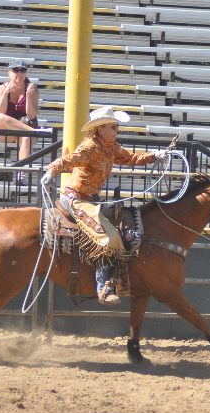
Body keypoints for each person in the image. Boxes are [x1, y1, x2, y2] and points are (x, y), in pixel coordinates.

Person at [40, 106, 168, 305]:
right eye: (114, 126)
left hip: (89, 199)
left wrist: (154, 156)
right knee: (109, 236)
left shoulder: (112, 147)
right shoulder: (89, 147)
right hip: (76, 199)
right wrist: (51, 171)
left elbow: (131, 159)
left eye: (117, 126)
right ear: (100, 129)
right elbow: (68, 160)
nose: (117, 130)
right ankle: (103, 287)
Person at [0, 58, 40, 185]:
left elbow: (31, 116)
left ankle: (21, 174)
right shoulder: (1, 88)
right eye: (16, 70)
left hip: (25, 128)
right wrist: (6, 93)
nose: (19, 73)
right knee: (0, 118)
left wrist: (29, 96)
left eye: (22, 70)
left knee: (26, 138)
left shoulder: (32, 90)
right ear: (9, 73)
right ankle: (34, 132)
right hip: (9, 131)